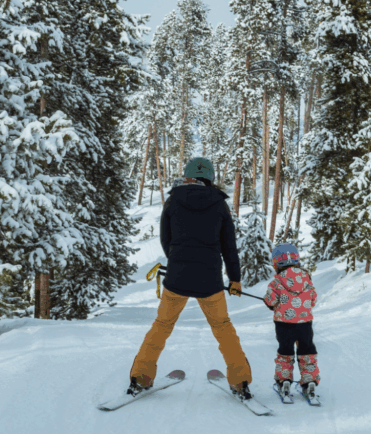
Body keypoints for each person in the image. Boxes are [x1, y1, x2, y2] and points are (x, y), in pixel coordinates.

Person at [128, 157, 255, 399]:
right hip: (210, 281)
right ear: (211, 177)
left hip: (177, 278)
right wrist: (234, 280)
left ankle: (141, 377)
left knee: (161, 327)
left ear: (187, 175)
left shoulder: (174, 200)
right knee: (223, 329)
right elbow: (229, 246)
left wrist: (177, 259)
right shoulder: (219, 204)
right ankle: (240, 382)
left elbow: (165, 239)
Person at [263, 243, 320, 400]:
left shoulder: (276, 282)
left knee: (285, 351)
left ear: (276, 263)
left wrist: (270, 301)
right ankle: (309, 382)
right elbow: (313, 299)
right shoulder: (306, 278)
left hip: (283, 325)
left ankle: (284, 381)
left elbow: (270, 300)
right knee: (307, 351)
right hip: (304, 324)